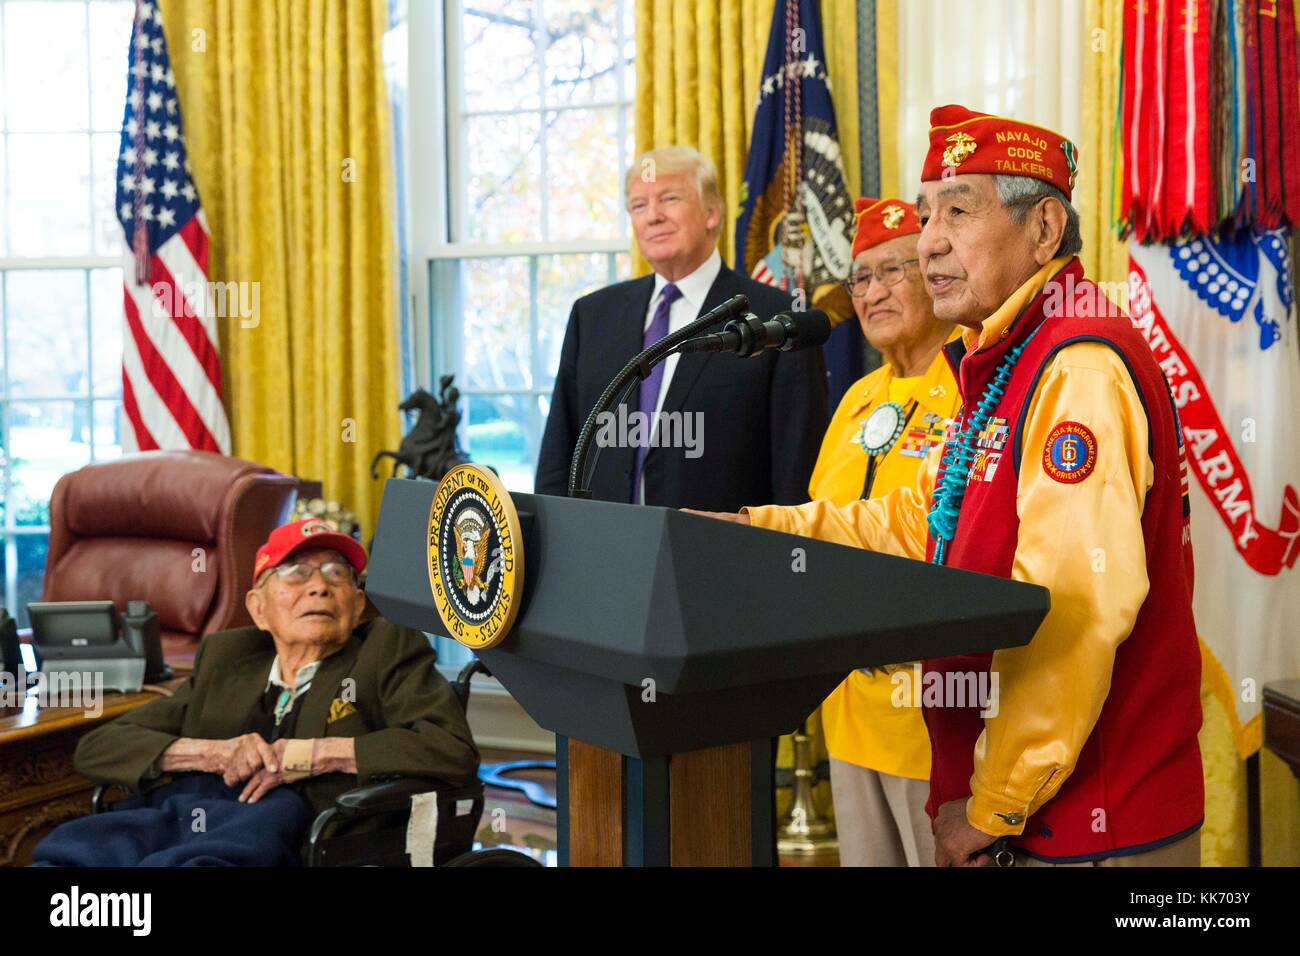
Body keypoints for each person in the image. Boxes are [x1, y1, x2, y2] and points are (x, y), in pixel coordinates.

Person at [690, 105, 1204, 867]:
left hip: (1088, 821)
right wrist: (757, 533)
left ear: (1044, 229)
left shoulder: (1078, 365)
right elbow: (921, 518)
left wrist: (994, 803)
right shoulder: (1003, 359)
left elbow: (1074, 615)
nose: (929, 239)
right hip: (1021, 810)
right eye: (928, 212)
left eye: (960, 211)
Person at [40, 518, 479, 866]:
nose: (319, 585)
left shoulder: (385, 649)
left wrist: (309, 756)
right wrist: (211, 754)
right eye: (295, 573)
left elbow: (449, 749)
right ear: (258, 608)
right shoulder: (227, 658)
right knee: (77, 851)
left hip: (294, 834)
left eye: (337, 574)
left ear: (358, 604)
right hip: (186, 812)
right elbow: (97, 748)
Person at [535, 144, 828, 510]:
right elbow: (557, 457)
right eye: (638, 206)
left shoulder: (777, 319)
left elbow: (795, 476)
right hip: (605, 553)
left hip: (716, 557)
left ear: (711, 212)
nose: (652, 216)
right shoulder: (591, 316)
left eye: (669, 198)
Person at [814, 197, 959, 866]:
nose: (872, 293)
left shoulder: (972, 388)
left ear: (933, 275)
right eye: (860, 279)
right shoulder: (854, 400)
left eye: (891, 272)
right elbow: (818, 526)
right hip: (850, 710)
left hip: (935, 716)